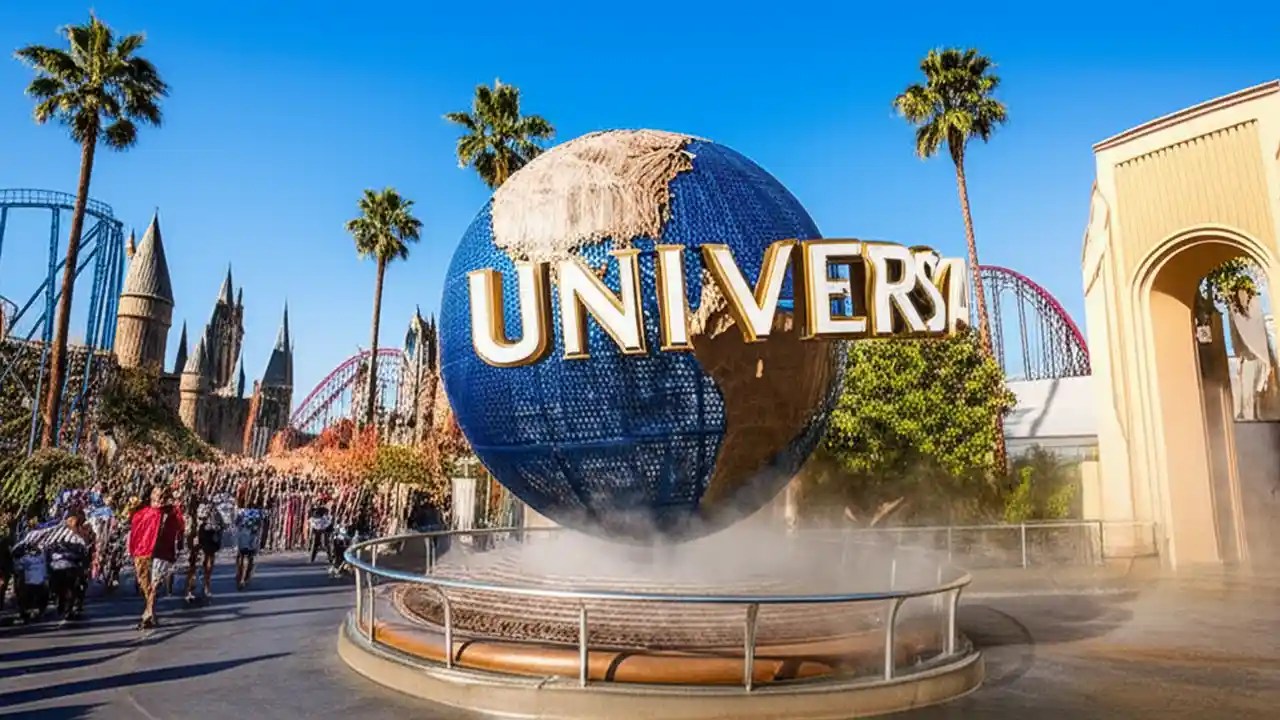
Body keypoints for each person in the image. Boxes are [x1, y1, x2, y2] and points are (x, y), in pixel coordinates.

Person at [127, 485, 185, 629]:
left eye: (161, 493)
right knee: (145, 585)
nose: (158, 496)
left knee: (155, 584)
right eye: (156, 493)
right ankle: (151, 611)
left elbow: (179, 526)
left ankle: (147, 614)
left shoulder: (170, 512)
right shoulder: (143, 512)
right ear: (151, 495)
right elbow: (134, 525)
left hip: (161, 552)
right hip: (143, 551)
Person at [234, 506, 263, 590]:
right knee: (249, 555)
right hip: (253, 532)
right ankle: (245, 577)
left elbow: (236, 522)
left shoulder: (241, 510)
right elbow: (260, 523)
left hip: (243, 531)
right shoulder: (258, 511)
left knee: (242, 554)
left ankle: (240, 576)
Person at [308, 499, 333, 564]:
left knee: (326, 544)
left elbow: (328, 519)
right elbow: (311, 519)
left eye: (320, 503)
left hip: (324, 528)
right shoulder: (313, 510)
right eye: (318, 503)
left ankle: (330, 558)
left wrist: (325, 527)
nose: (319, 505)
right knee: (315, 544)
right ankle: (312, 558)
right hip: (316, 528)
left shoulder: (325, 510)